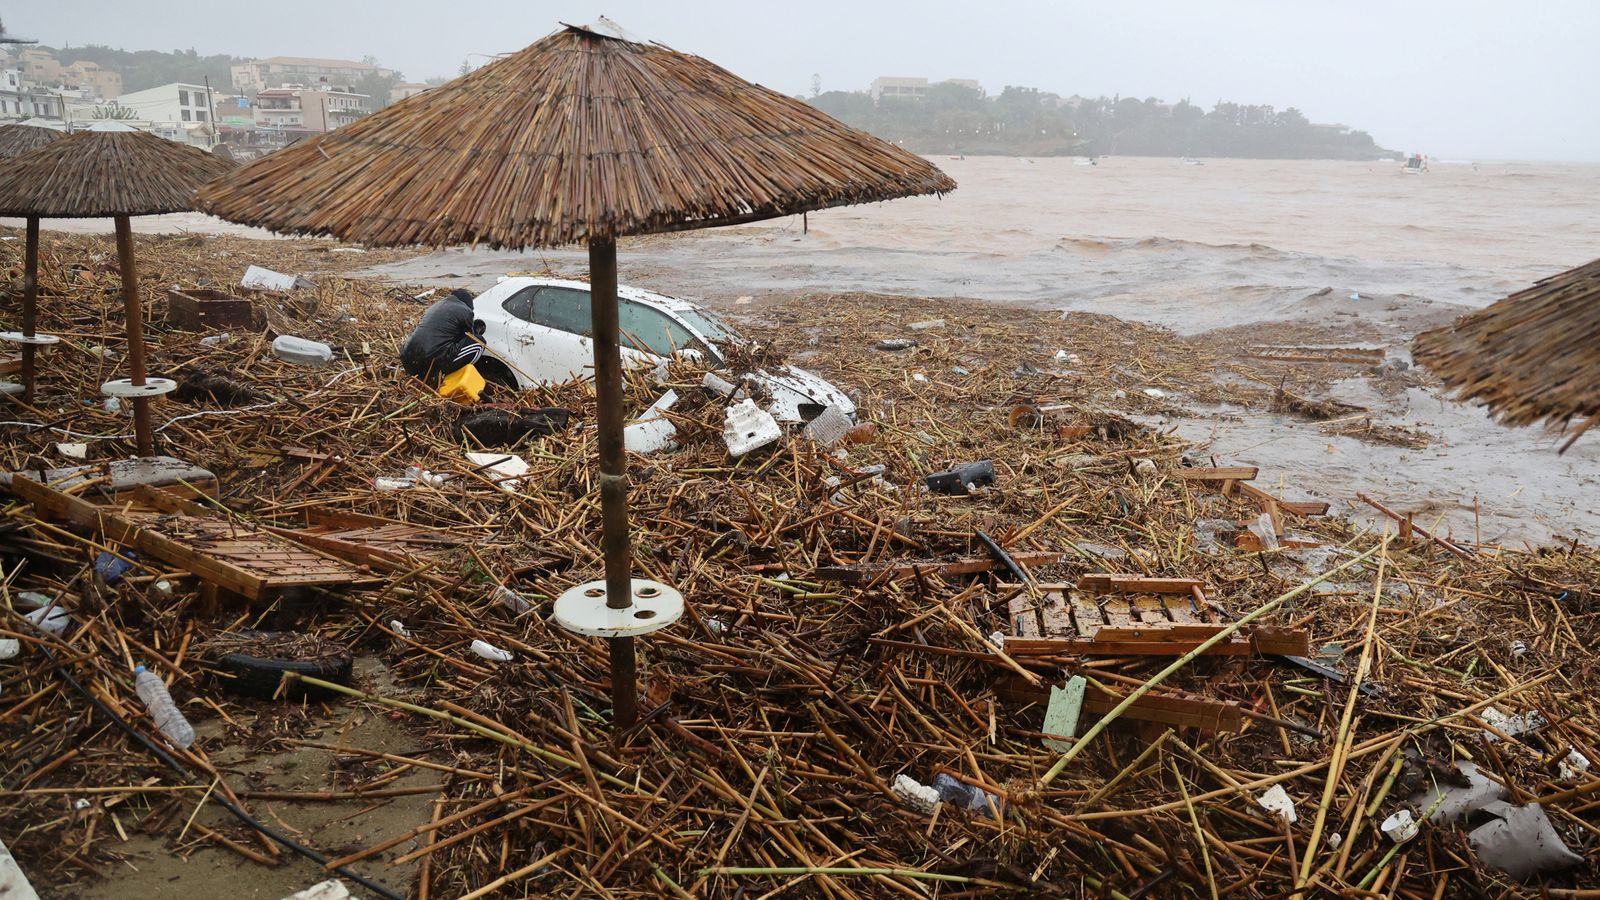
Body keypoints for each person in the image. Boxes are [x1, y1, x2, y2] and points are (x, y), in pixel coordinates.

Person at [400, 288, 485, 384]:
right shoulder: (466, 311)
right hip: (430, 363)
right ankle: (449, 376)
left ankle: (424, 375)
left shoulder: (435, 306)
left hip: (407, 361)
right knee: (479, 342)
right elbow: (469, 336)